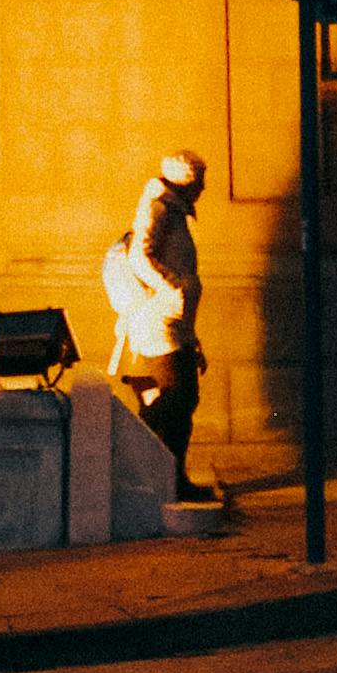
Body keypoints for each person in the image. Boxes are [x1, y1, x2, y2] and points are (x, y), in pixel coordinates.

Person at [103, 148, 210, 497]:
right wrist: (171, 288)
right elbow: (139, 256)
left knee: (178, 402)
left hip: (171, 324)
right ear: (187, 181)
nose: (205, 188)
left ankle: (169, 480)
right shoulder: (158, 205)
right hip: (158, 324)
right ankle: (159, 478)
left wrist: (192, 338)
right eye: (201, 180)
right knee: (175, 400)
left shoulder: (172, 209)